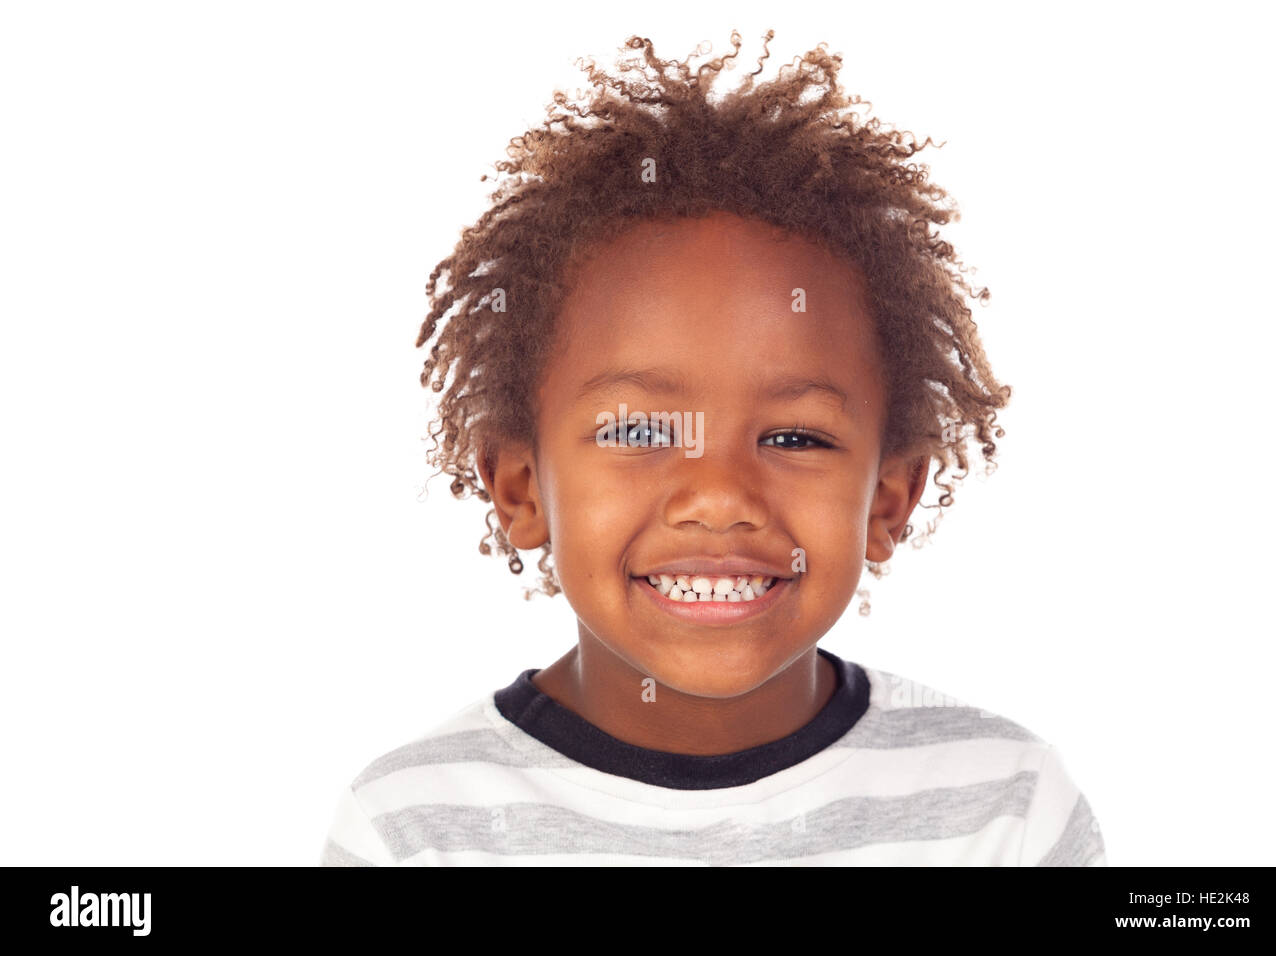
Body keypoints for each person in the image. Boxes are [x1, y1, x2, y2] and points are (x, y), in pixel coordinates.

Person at [319, 29, 1106, 866]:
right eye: (639, 432)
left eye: (795, 436)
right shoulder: (415, 828)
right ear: (520, 488)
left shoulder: (1006, 811)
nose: (720, 495)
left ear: (889, 498)